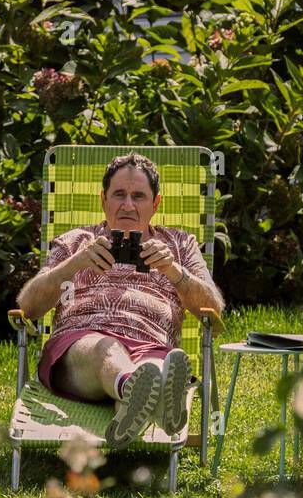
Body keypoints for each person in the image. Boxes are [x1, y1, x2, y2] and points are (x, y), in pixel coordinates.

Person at [16, 153, 225, 449]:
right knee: (108, 350)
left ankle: (137, 404)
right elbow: (28, 307)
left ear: (156, 204)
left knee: (154, 367)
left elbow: (213, 311)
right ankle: (145, 394)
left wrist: (174, 272)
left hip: (151, 344)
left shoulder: (179, 244)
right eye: (119, 194)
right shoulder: (76, 241)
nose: (128, 205)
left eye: (138, 196)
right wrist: (74, 264)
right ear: (103, 199)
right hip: (83, 346)